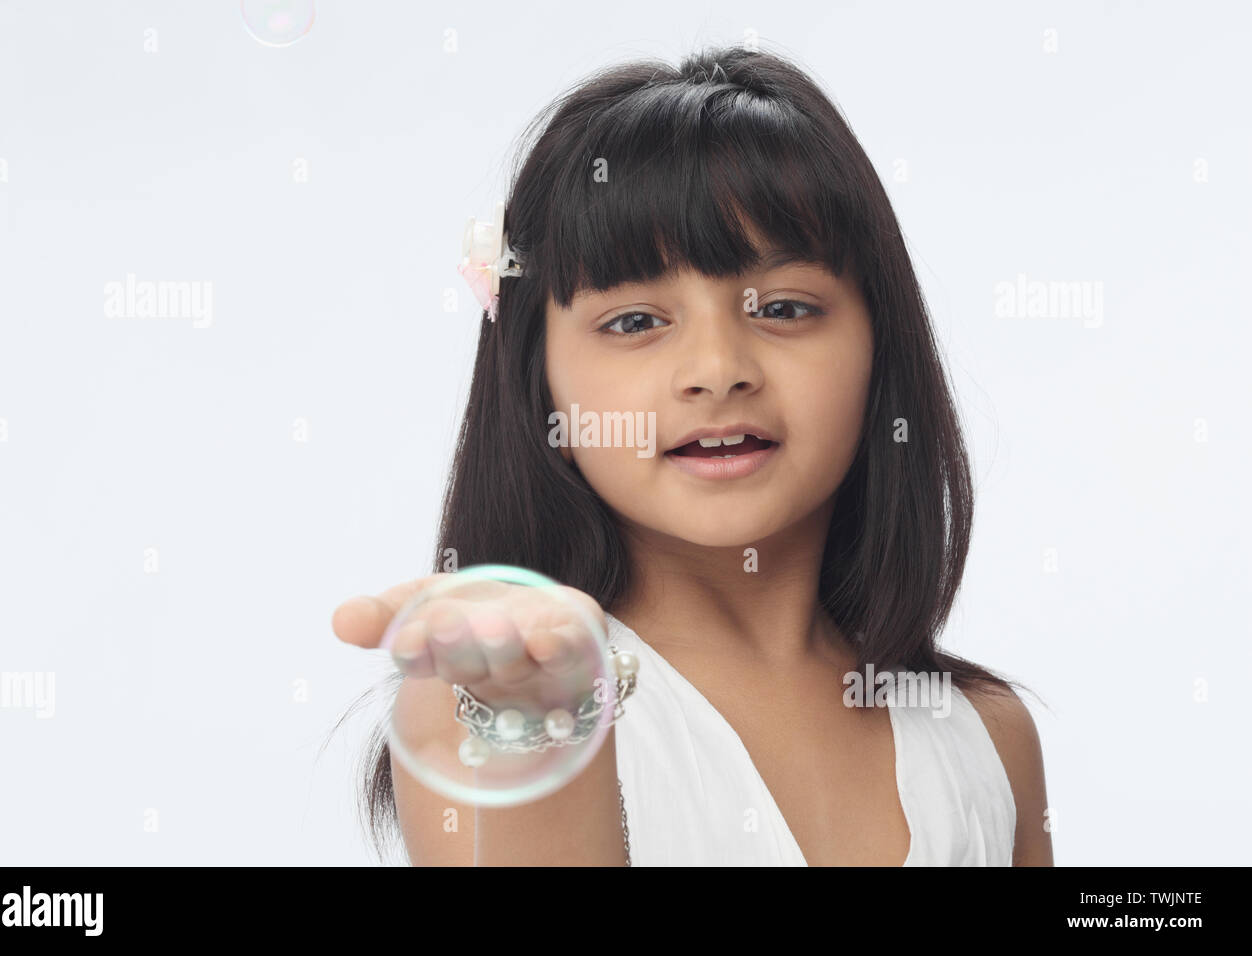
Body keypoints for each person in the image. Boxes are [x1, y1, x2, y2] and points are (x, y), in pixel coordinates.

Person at [332, 44, 1053, 866]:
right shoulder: (490, 693)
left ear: (880, 345)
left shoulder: (984, 733)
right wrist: (539, 720)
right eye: (635, 322)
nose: (718, 371)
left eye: (784, 307)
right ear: (539, 381)